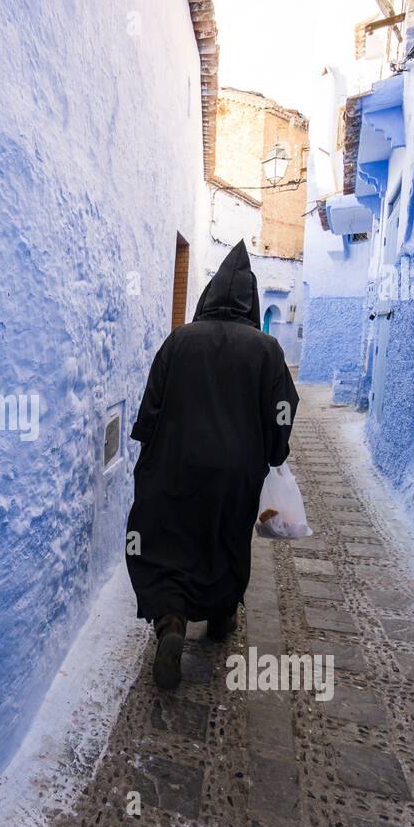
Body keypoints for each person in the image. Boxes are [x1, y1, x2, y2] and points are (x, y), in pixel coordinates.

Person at [125, 240, 298, 690]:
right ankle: (221, 615)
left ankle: (171, 622)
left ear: (207, 295)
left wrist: (148, 451)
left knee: (169, 543)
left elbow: (151, 409)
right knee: (224, 541)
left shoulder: (179, 340)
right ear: (252, 303)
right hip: (235, 472)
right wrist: (275, 453)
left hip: (175, 465)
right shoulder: (267, 349)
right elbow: (282, 409)